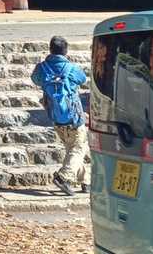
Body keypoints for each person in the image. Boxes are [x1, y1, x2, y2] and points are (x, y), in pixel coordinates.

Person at [32, 35, 89, 196]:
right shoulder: (71, 68)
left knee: (73, 148)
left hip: (56, 117)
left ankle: (85, 181)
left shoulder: (42, 68)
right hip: (74, 118)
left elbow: (35, 79)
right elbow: (82, 79)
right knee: (78, 148)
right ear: (66, 51)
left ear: (50, 49)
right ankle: (63, 177)